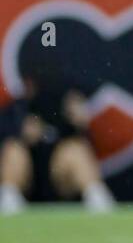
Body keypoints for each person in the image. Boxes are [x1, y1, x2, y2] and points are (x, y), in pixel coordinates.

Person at [0, 56, 115, 216]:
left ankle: (98, 201)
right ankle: (8, 201)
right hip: (27, 181)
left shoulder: (67, 105)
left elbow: (88, 144)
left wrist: (81, 124)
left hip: (59, 179)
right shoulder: (16, 108)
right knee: (13, 150)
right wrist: (19, 131)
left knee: (76, 149)